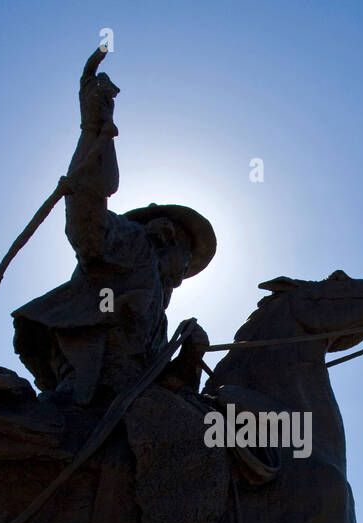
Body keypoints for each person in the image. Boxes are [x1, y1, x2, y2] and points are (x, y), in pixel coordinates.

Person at [12, 48, 215, 408]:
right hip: (90, 388)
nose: (185, 271)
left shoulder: (161, 317)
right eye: (186, 256)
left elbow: (159, 383)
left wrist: (188, 358)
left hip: (127, 400)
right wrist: (94, 129)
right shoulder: (134, 245)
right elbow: (87, 219)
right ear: (165, 237)